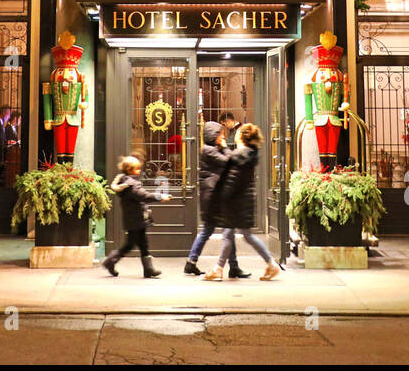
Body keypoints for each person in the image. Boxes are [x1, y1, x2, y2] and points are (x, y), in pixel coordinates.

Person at [204, 124, 280, 282]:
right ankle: (219, 269)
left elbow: (231, 179)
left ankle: (271, 264)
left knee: (240, 235)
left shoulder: (240, 154)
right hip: (242, 201)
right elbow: (232, 161)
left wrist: (221, 198)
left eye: (237, 133)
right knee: (233, 234)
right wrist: (225, 148)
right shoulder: (248, 154)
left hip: (235, 203)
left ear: (241, 137)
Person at [184, 112, 249, 278]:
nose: (222, 136)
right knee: (218, 230)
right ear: (212, 135)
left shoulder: (212, 149)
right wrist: (226, 146)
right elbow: (230, 161)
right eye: (220, 134)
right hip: (214, 197)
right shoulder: (208, 150)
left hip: (215, 196)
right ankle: (228, 266)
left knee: (223, 230)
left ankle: (196, 263)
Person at [103, 155, 171, 278]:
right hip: (135, 219)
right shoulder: (131, 184)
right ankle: (110, 261)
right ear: (129, 170)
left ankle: (148, 269)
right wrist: (160, 197)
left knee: (143, 244)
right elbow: (143, 196)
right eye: (137, 169)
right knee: (129, 245)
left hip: (135, 219)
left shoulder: (125, 182)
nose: (139, 171)